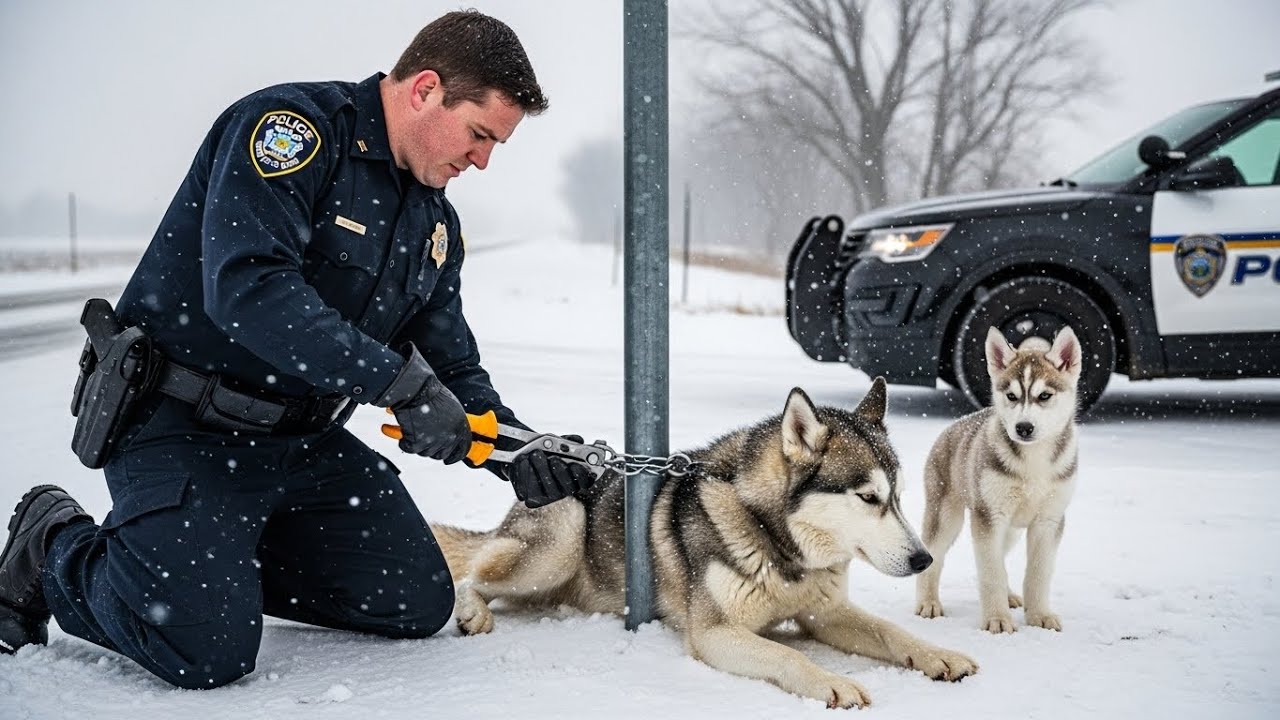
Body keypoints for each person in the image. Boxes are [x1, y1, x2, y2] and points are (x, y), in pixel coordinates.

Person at [0, 10, 599, 688]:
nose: (483, 160)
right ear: (425, 89)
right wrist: (399, 387)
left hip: (300, 448)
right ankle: (53, 545)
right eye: (479, 134)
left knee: (413, 600)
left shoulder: (433, 222)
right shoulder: (294, 131)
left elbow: (453, 366)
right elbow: (250, 290)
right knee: (204, 650)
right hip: (183, 424)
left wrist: (519, 452)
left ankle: (211, 556)